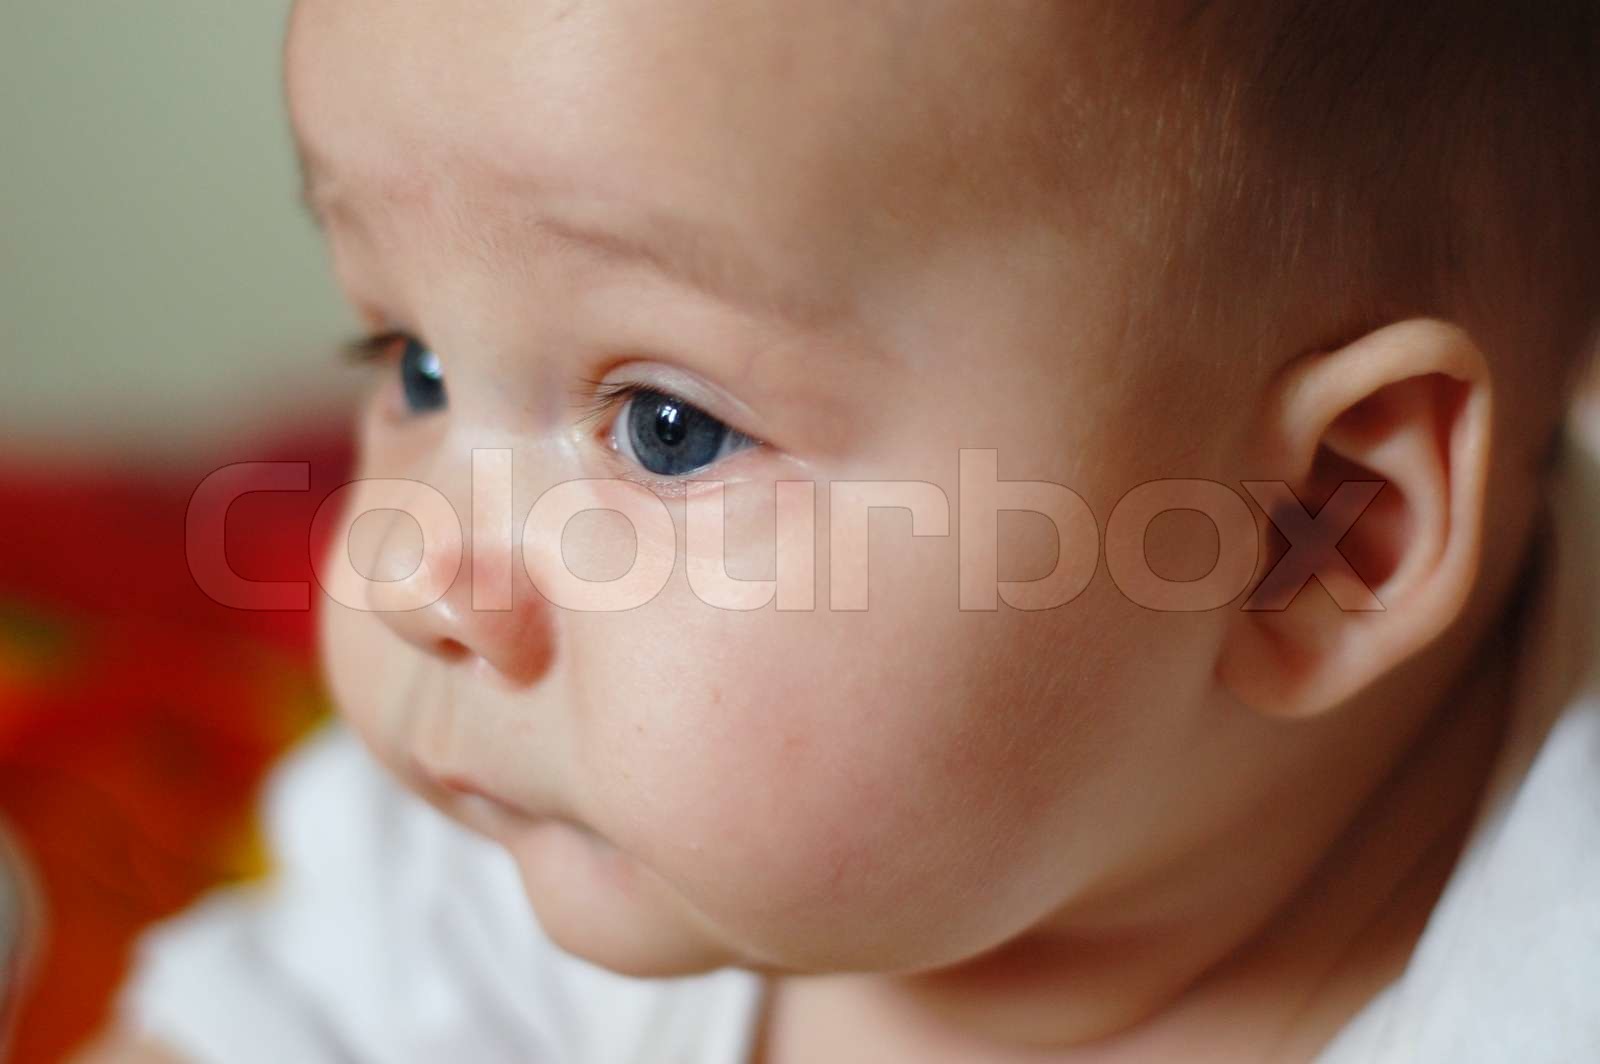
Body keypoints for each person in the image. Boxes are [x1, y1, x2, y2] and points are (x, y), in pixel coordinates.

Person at [86, 1, 1600, 1060]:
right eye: (410, 361)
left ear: (1310, 536)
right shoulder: (529, 831)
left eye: (667, 430)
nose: (407, 570)